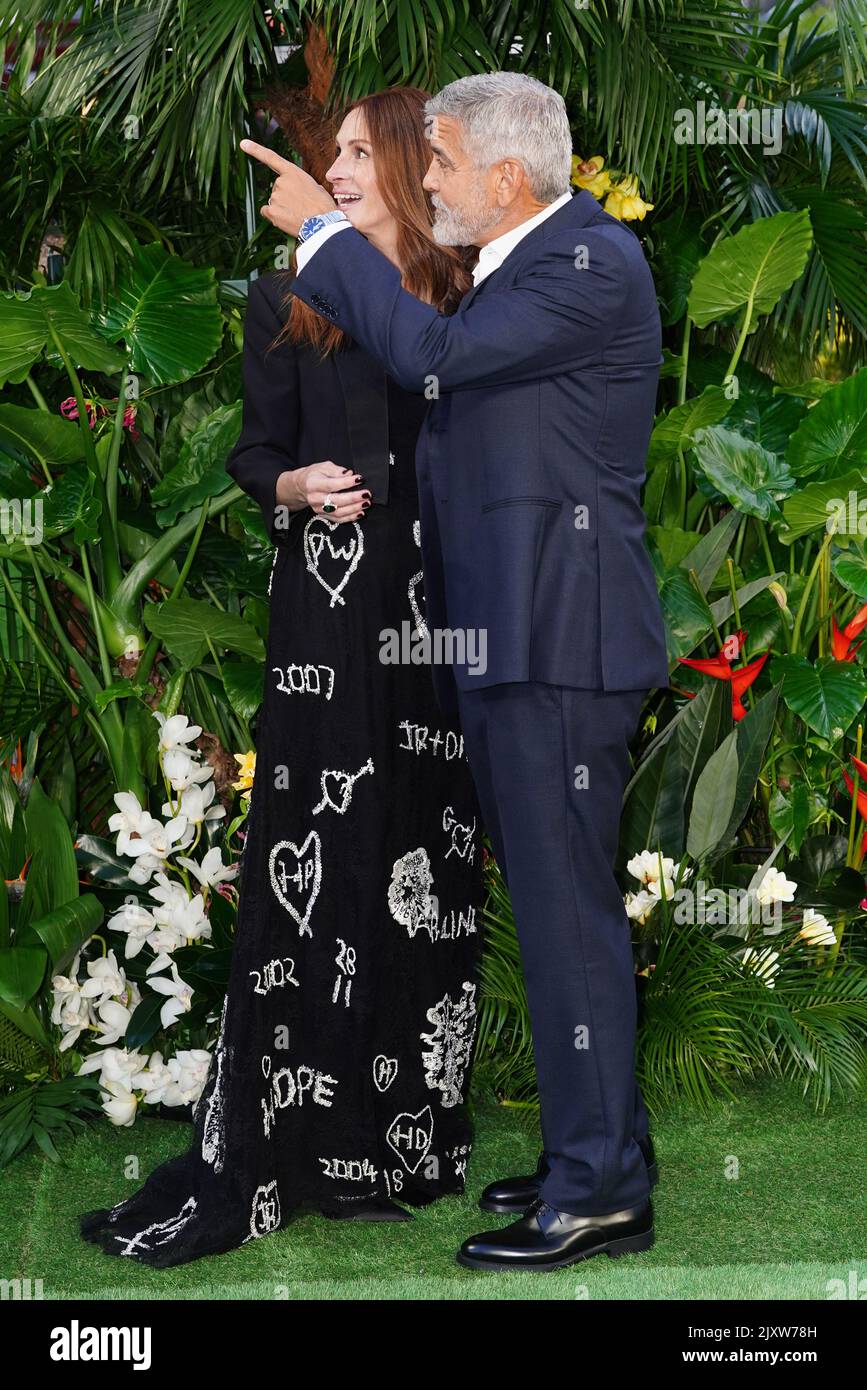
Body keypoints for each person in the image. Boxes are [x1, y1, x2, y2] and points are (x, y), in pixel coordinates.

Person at [241, 69, 671, 1272]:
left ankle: (598, 1195)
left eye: (433, 163)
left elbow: (434, 353)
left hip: (558, 644)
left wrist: (327, 238)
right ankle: (603, 1160)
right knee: (560, 916)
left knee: (568, 919)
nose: (422, 182)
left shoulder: (587, 264)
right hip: (515, 644)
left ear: (504, 174)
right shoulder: (526, 264)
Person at [78, 87, 485, 1267]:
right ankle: (306, 1129)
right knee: (323, 844)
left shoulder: (464, 295)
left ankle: (407, 1135)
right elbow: (256, 452)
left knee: (426, 853)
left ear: (414, 167)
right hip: (323, 620)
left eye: (363, 151)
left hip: (438, 623)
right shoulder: (282, 299)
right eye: (335, 151)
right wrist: (294, 488)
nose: (341, 165)